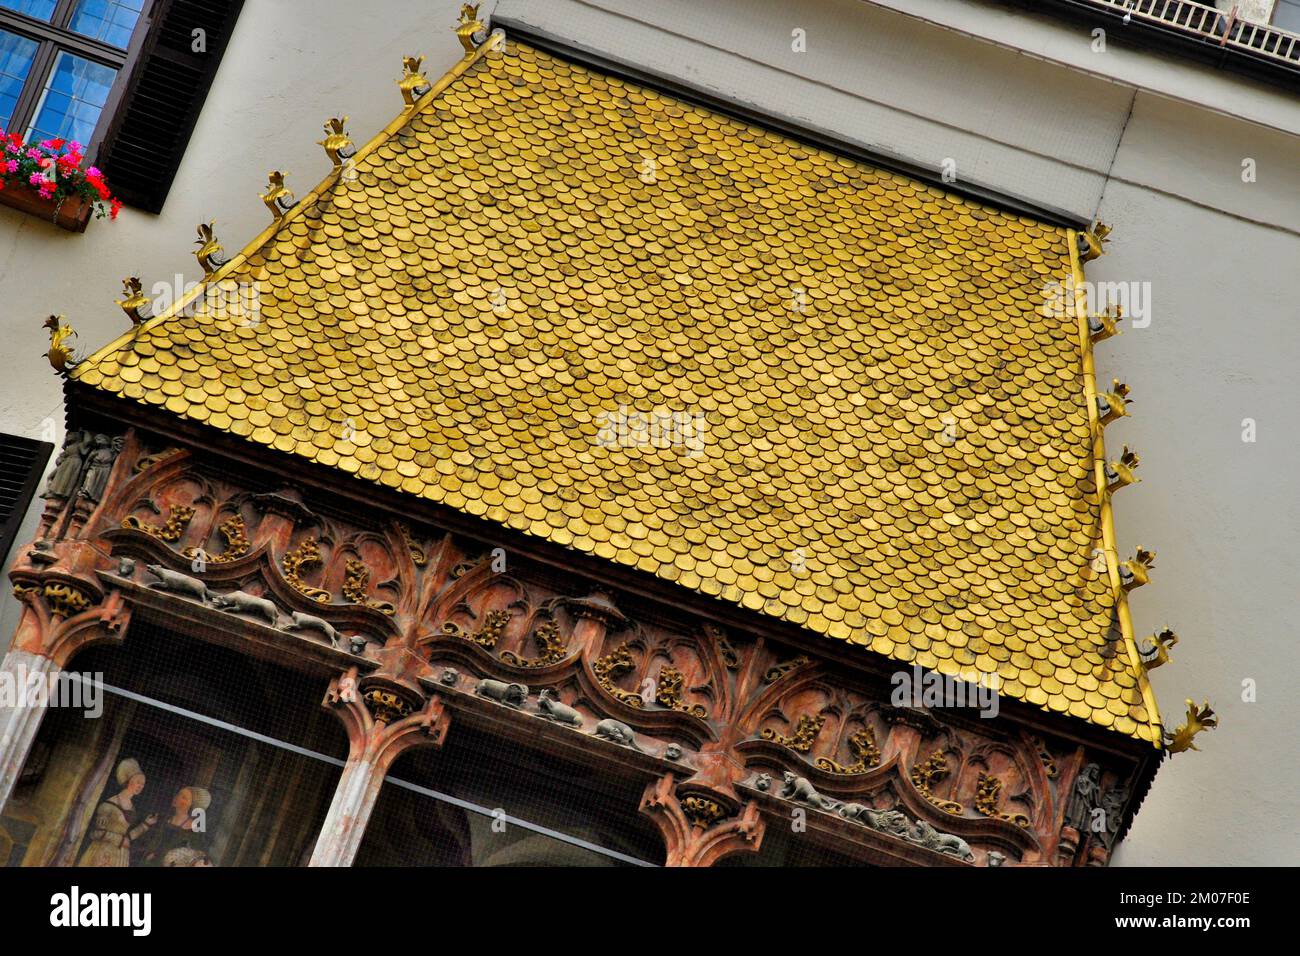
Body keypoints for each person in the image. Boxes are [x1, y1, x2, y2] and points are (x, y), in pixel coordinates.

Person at [76, 758, 157, 867]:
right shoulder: (109, 805)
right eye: (138, 782)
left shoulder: (132, 807)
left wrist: (146, 824)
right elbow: (96, 833)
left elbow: (127, 837)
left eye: (143, 784)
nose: (141, 786)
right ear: (129, 780)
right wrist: (120, 840)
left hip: (120, 856)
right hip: (103, 853)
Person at [137, 786, 213, 866]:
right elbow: (146, 841)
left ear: (191, 805)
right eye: (178, 794)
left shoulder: (194, 830)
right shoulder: (161, 819)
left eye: (184, 797)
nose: (177, 797)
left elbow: (194, 855)